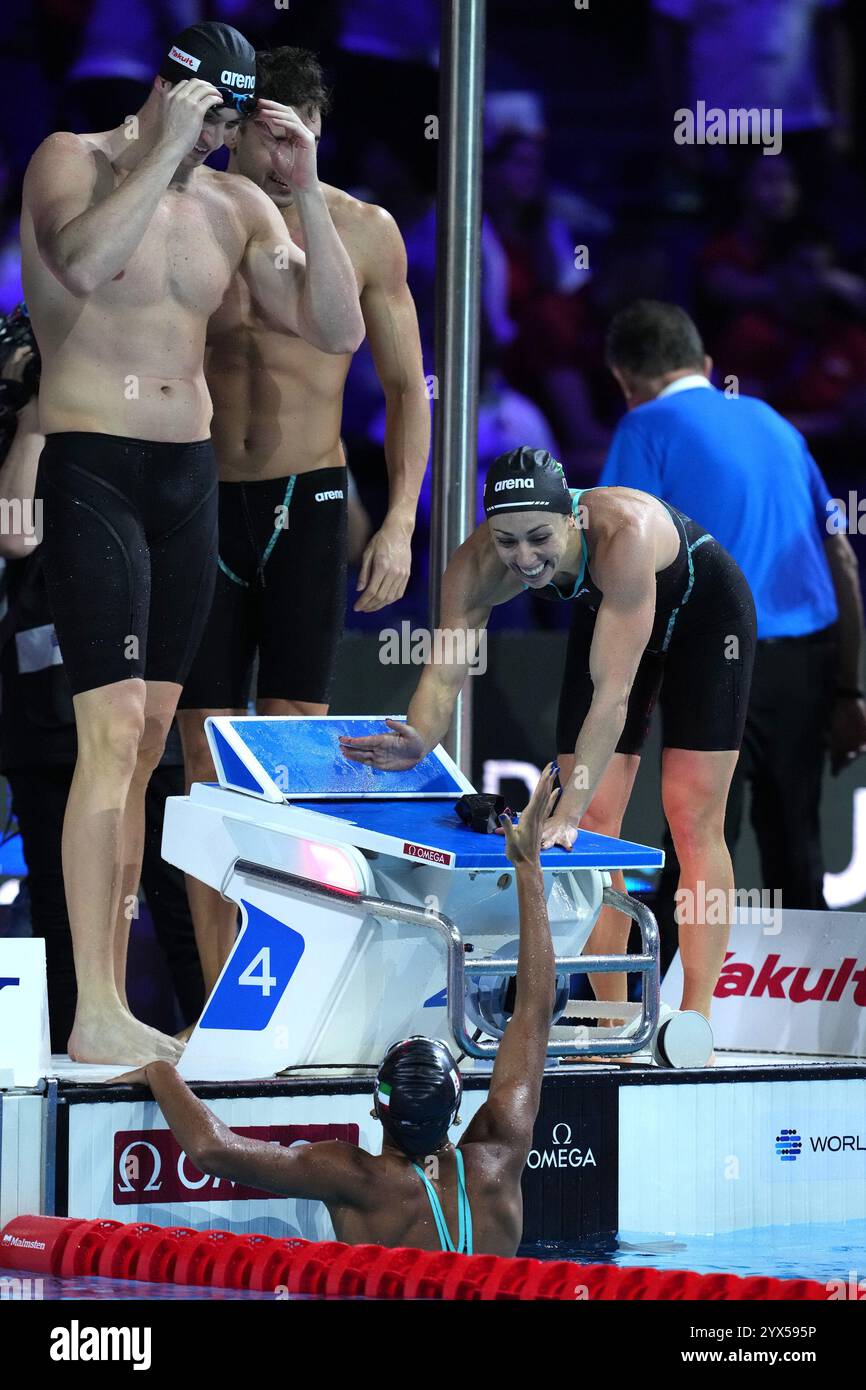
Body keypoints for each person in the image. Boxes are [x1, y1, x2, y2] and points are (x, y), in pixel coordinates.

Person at [20, 21, 364, 1064]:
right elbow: (79, 263)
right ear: (171, 91)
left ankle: (115, 1002)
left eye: (231, 123)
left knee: (151, 747)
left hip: (186, 481)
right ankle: (93, 1003)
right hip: (93, 468)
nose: (222, 139)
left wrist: (302, 188)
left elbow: (336, 328)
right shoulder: (68, 158)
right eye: (212, 116)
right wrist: (164, 145)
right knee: (112, 737)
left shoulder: (236, 202)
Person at [175, 46, 429, 1002]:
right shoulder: (189, 217)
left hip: (307, 504)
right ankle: (217, 1001)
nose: (281, 161)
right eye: (266, 138)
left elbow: (407, 387)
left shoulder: (364, 232)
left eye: (299, 142)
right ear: (234, 131)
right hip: (201, 495)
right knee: (202, 764)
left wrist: (400, 521)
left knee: (290, 764)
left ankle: (295, 989)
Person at [341, 446, 757, 1024]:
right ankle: (614, 1022)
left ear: (571, 518)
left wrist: (567, 807)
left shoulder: (621, 536)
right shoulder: (476, 565)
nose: (525, 558)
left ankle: (696, 1020)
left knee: (691, 818)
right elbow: (444, 675)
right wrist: (420, 738)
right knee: (590, 827)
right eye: (508, 541)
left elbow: (612, 700)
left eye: (539, 538)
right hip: (612, 610)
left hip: (706, 621)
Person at [110, 767, 559, 1256]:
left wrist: (161, 1072)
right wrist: (528, 869)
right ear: (456, 1114)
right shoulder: (499, 1162)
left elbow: (212, 1149)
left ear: (374, 1109)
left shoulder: (352, 1179)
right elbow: (533, 1015)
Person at [600, 299, 866, 933]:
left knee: (697, 838)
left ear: (623, 380)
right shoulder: (776, 422)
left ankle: (663, 1006)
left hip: (718, 662)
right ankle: (813, 1013)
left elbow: (619, 563)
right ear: (706, 364)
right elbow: (843, 561)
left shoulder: (644, 428)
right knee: (797, 845)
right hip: (809, 662)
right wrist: (851, 688)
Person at [0, 306, 204, 1048]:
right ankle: (75, 1040)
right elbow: (17, 530)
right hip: (44, 700)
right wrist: (32, 421)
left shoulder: (127, 428)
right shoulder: (25, 434)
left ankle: (200, 1029)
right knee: (58, 899)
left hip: (130, 679)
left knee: (173, 885)